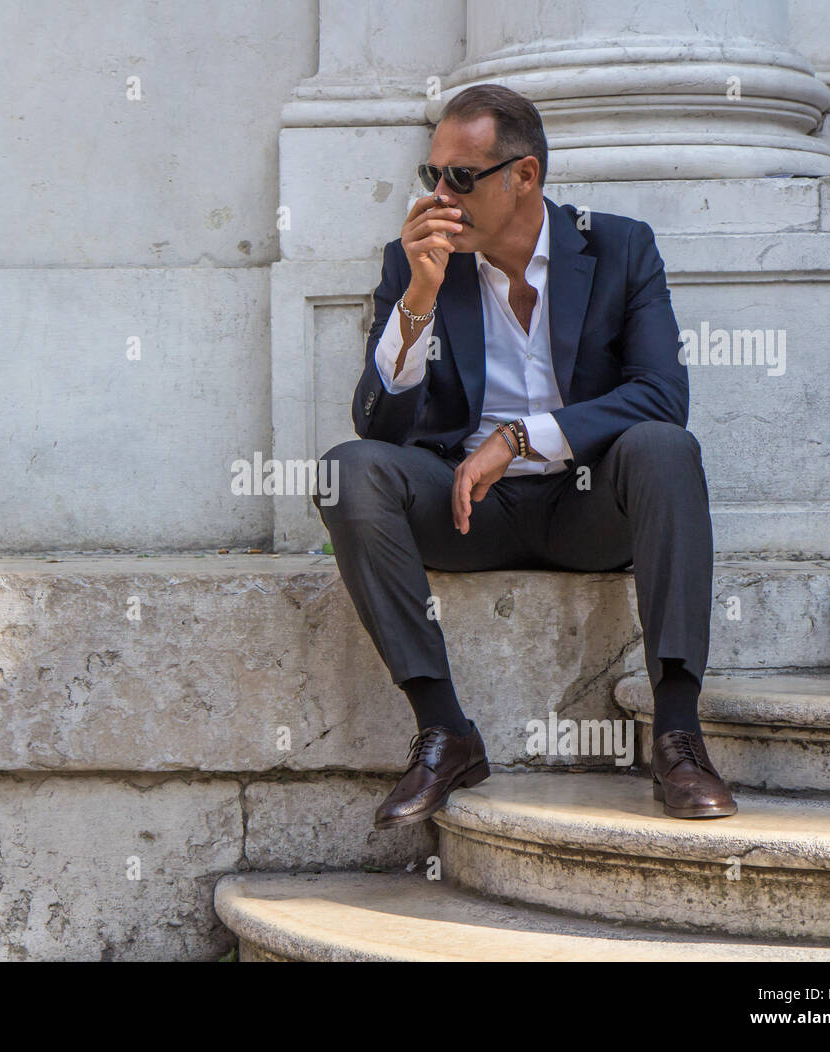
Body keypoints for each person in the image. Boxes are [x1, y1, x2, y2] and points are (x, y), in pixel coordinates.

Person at [312, 84, 736, 830]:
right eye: (432, 176)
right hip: (468, 510)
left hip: (586, 508)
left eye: (462, 178)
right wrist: (418, 300)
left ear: (525, 176)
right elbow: (379, 429)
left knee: (666, 449)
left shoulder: (618, 247)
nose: (442, 196)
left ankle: (678, 734)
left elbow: (663, 396)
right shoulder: (412, 263)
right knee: (346, 470)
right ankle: (446, 731)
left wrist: (518, 438)